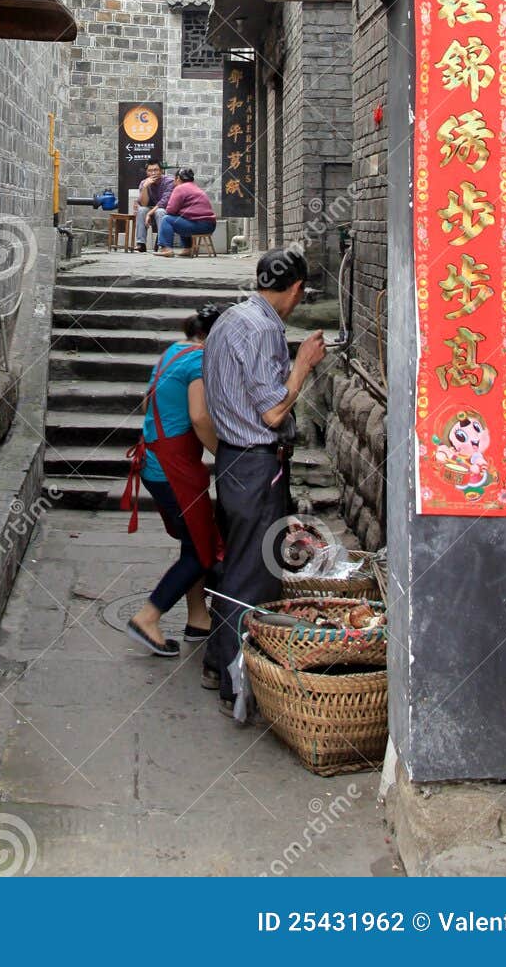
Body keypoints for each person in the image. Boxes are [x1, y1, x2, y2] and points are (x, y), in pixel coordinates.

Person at [202, 248, 326, 711]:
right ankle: (238, 683)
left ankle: (218, 661)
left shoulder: (233, 318)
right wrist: (303, 365)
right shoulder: (264, 328)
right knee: (254, 577)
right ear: (294, 289)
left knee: (238, 564)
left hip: (233, 459)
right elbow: (274, 411)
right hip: (256, 463)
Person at [120, 305, 224, 656]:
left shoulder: (175, 351)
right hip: (172, 470)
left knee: (193, 539)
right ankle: (148, 616)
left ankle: (198, 617)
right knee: (201, 551)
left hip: (155, 461)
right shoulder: (198, 362)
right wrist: (224, 454)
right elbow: (198, 416)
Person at [156, 168, 217, 257]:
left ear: (177, 178)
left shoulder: (180, 188)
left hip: (198, 225)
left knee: (167, 219)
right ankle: (187, 248)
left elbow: (170, 210)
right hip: (210, 225)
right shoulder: (195, 187)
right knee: (183, 218)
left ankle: (166, 248)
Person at [135, 162, 175, 252]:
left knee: (160, 211)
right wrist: (145, 187)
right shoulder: (144, 183)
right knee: (141, 210)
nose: (153, 173)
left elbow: (164, 202)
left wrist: (149, 213)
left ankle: (163, 244)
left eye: (155, 170)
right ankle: (141, 244)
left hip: (166, 209)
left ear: (161, 171)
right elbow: (144, 204)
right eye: (150, 171)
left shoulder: (169, 181)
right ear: (146, 172)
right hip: (151, 208)